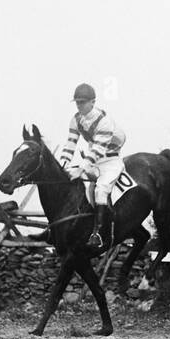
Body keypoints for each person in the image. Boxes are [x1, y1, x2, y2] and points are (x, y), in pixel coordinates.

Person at [57, 83, 127, 251]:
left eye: (82, 102)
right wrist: (63, 165)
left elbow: (97, 149)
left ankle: (99, 234)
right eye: (77, 102)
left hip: (110, 161)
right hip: (94, 161)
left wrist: (81, 168)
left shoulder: (105, 122)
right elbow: (70, 143)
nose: (79, 105)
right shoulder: (75, 120)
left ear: (93, 102)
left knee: (100, 190)